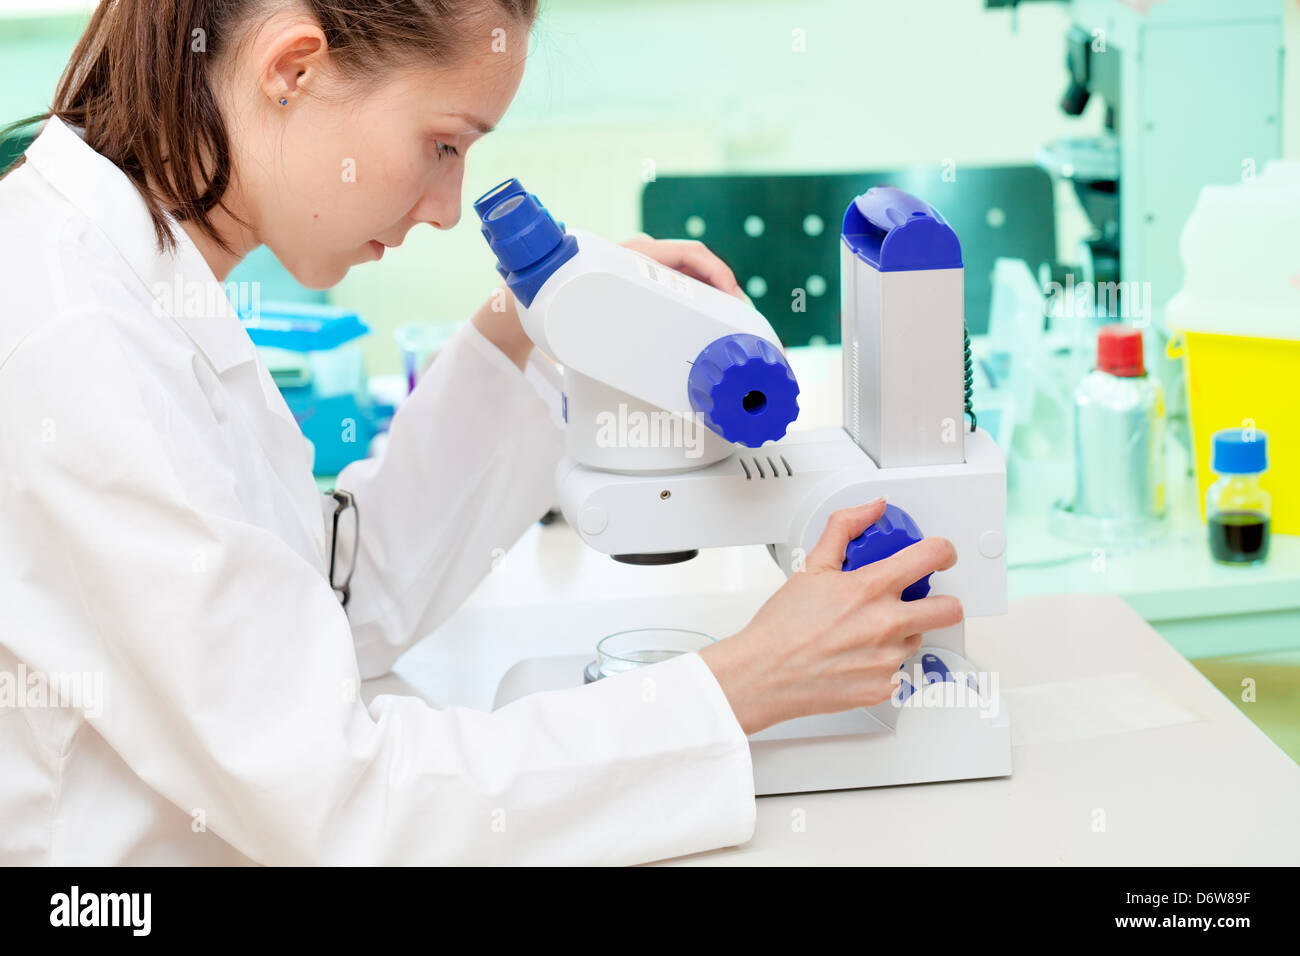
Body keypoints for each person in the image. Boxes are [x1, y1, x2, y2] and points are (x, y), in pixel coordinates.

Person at [0, 0, 962, 865]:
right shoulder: (77, 331)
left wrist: (543, 323)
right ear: (293, 68)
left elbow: (333, 592)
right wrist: (745, 682)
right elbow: (341, 805)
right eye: (443, 143)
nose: (446, 206)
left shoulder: (141, 270)